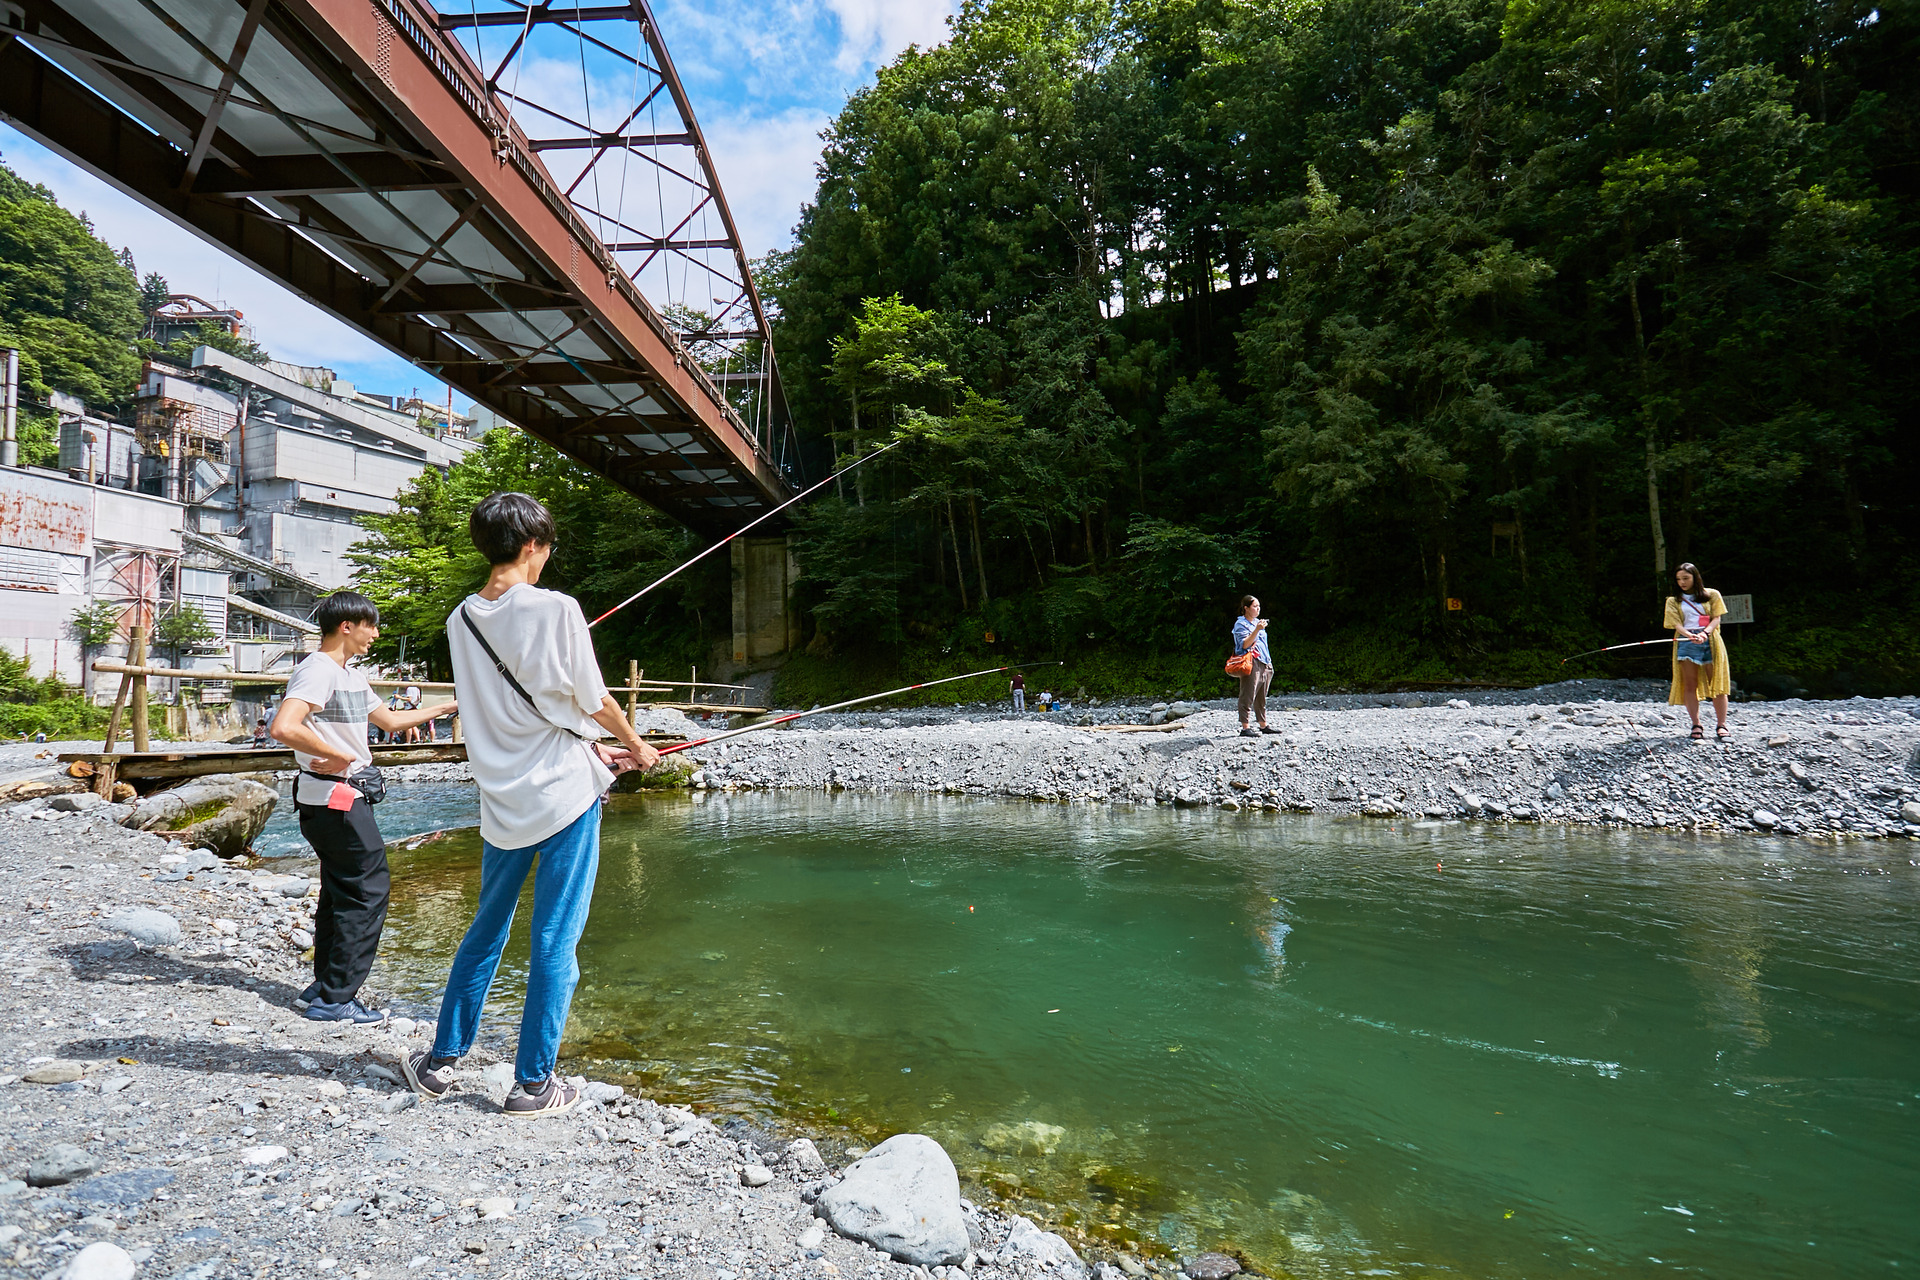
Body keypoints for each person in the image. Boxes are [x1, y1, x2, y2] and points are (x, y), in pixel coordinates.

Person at [401, 492, 660, 1119]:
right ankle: (534, 1083)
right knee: (554, 939)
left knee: (486, 930)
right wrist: (636, 746)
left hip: (501, 802)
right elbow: (594, 699)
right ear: (530, 546)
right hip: (565, 798)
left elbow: (517, 704)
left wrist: (593, 744)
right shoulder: (559, 608)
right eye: (545, 549)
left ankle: (439, 1063)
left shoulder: (459, 619)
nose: (546, 559)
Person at [269, 591, 455, 1023]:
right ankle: (337, 1000)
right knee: (369, 891)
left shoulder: (349, 675)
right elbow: (284, 725)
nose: (375, 633)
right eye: (370, 625)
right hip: (335, 796)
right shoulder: (317, 670)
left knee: (340, 891)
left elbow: (390, 721)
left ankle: (323, 987)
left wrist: (449, 704)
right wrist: (333, 755)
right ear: (346, 626)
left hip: (335, 798)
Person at [1665, 562, 1731, 740]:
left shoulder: (1712, 595)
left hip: (1711, 640)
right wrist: (1689, 634)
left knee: (1717, 683)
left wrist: (1704, 633)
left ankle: (1721, 724)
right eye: (1679, 579)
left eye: (1686, 578)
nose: (1682, 582)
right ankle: (1696, 724)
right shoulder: (1673, 600)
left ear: (1695, 577)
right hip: (1686, 641)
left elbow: (1716, 618)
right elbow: (1675, 623)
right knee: (1689, 684)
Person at [1232, 595, 1279, 738]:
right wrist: (1257, 630)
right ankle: (1245, 727)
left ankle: (1263, 724)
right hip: (1251, 662)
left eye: (1259, 606)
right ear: (1246, 608)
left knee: (1261, 696)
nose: (1258, 609)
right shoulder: (1241, 624)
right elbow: (1245, 644)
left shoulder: (1258, 623)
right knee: (1248, 694)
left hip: (1265, 662)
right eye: (1254, 606)